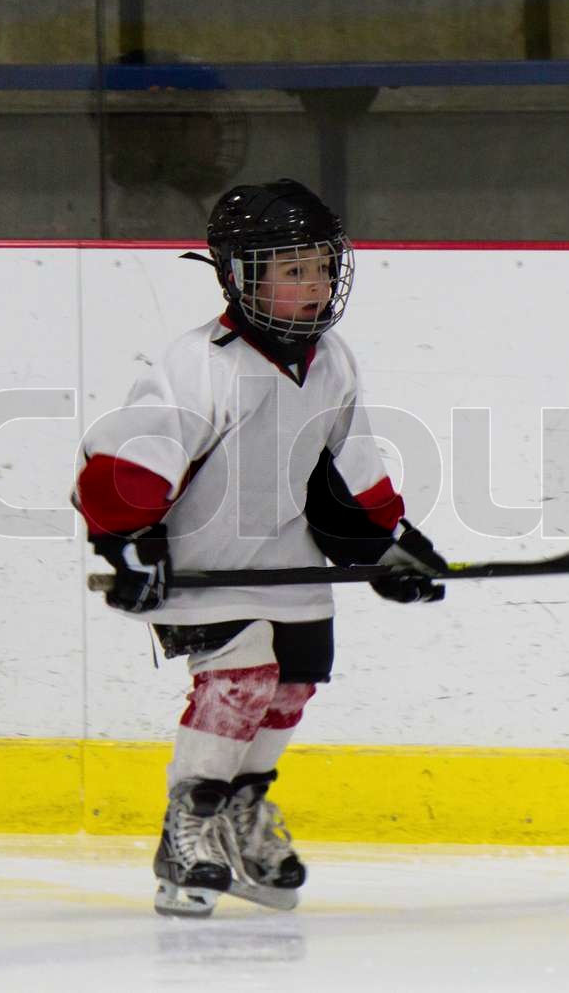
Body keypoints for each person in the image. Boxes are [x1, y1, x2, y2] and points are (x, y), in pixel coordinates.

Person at [73, 179, 446, 918]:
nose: (313, 286)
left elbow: (349, 473)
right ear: (240, 275)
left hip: (288, 557)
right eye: (291, 269)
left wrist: (391, 546)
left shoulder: (332, 360)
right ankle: (189, 826)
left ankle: (240, 813)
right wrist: (127, 543)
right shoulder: (199, 363)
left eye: (320, 266)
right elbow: (125, 462)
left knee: (291, 686)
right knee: (239, 680)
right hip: (203, 563)